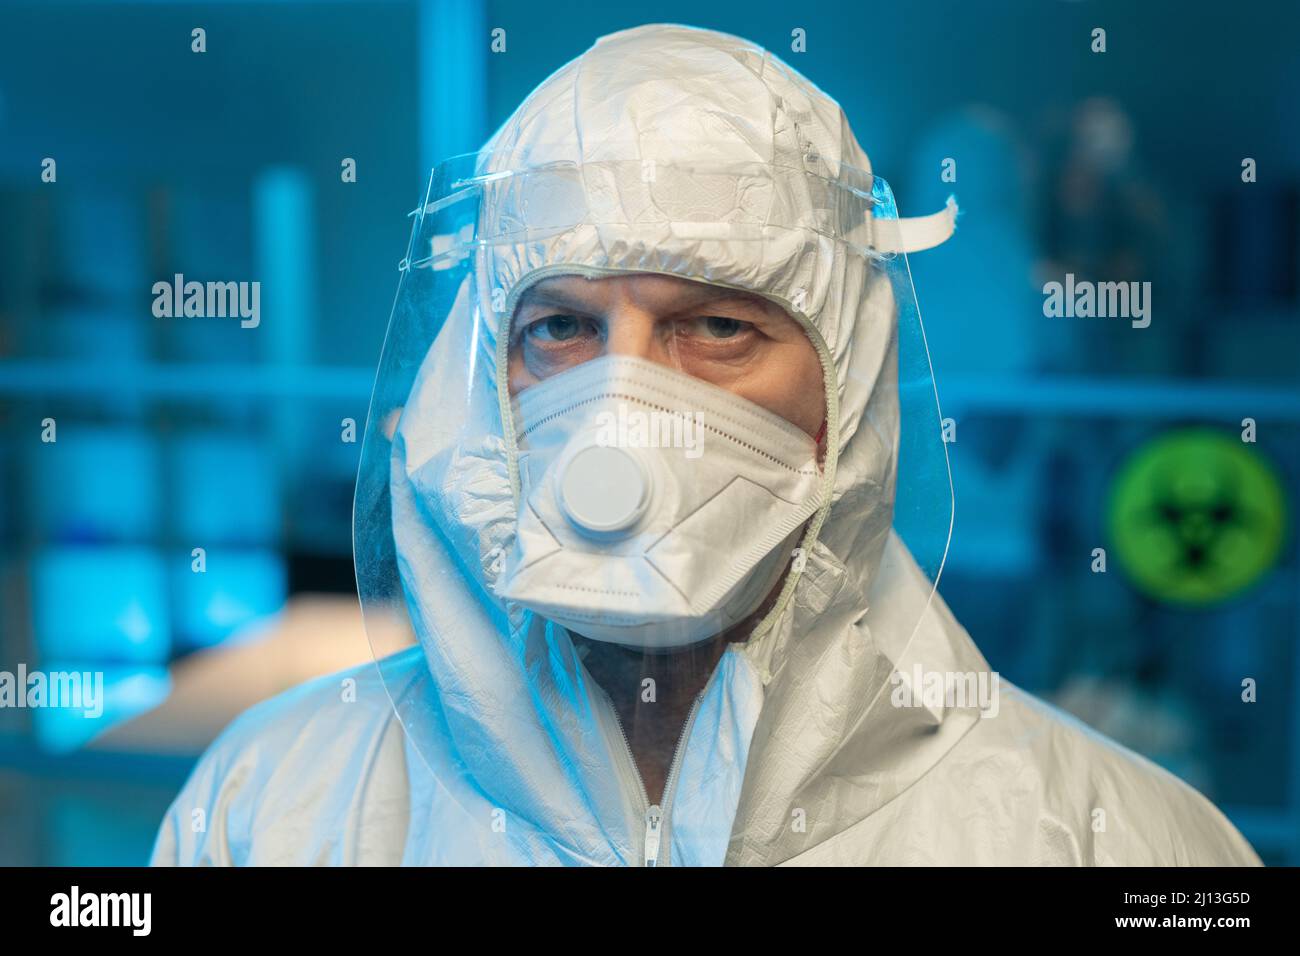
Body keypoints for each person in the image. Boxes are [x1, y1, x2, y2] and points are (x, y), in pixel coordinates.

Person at [151, 24, 1260, 866]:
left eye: (718, 327)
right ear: (479, 385)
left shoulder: (1106, 840)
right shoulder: (276, 805)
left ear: (844, 387)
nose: (619, 407)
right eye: (560, 328)